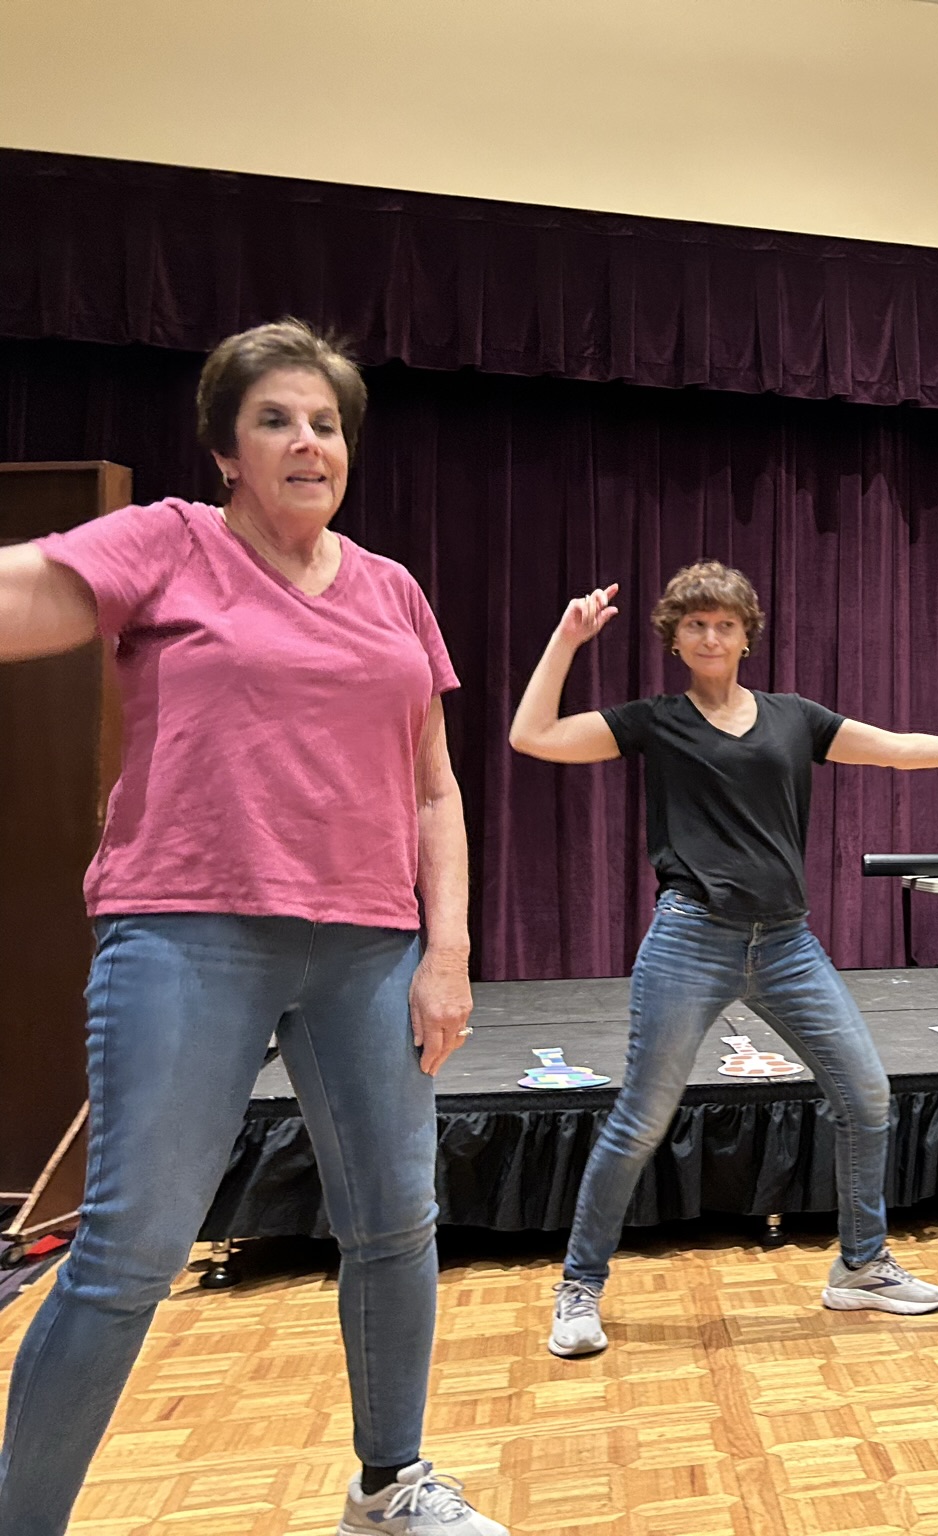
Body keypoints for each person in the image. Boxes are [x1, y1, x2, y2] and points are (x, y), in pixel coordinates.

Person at [0, 321, 504, 1536]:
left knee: (394, 1224)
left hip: (371, 947)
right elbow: (22, 595)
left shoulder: (392, 589)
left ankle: (389, 1486)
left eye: (326, 422)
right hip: (187, 931)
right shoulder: (170, 543)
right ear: (226, 448)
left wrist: (448, 951)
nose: (307, 441)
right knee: (129, 1253)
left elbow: (433, 788)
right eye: (276, 418)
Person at [509, 565, 938, 1353]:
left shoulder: (792, 718)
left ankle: (861, 1268)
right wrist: (566, 641)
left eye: (725, 625)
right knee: (641, 1119)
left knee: (868, 1098)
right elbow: (532, 736)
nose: (711, 636)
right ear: (673, 638)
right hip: (690, 937)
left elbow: (897, 751)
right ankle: (579, 1287)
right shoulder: (655, 720)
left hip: (786, 944)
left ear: (746, 635)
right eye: (696, 625)